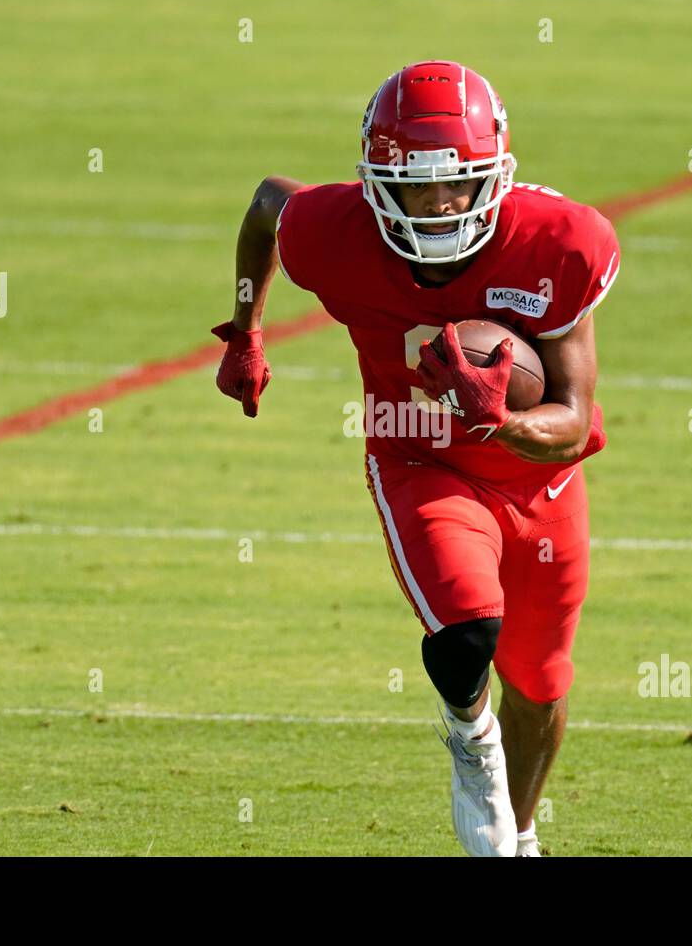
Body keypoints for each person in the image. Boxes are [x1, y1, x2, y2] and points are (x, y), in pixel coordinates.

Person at [211, 60, 620, 857]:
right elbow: (267, 206)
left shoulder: (560, 241)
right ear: (376, 185)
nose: (438, 203)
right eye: (416, 187)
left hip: (543, 475)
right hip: (417, 458)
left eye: (458, 184)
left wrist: (499, 419)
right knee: (468, 627)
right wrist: (245, 327)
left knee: (538, 682)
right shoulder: (337, 233)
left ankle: (522, 838)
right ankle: (470, 737)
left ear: (494, 174)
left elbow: (571, 422)